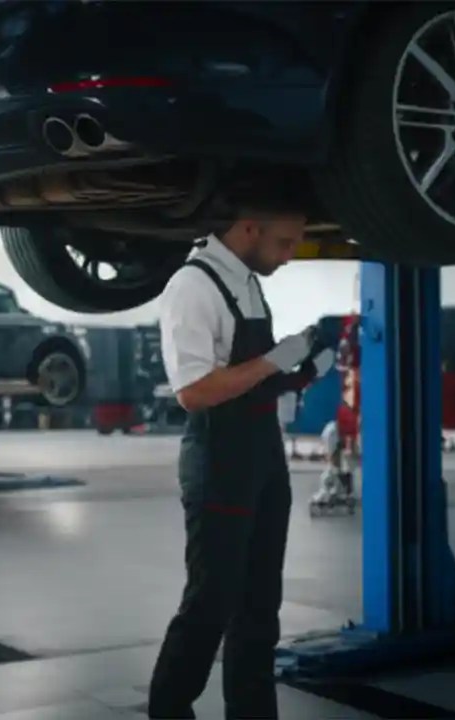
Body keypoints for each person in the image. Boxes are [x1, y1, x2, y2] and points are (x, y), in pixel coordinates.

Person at [148, 205, 335, 719]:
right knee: (210, 604)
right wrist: (273, 359)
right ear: (249, 227)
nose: (289, 255)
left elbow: (251, 377)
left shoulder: (247, 281)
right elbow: (194, 391)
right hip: (220, 461)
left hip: (264, 457)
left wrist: (301, 369)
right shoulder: (193, 286)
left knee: (259, 608)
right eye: (284, 243)